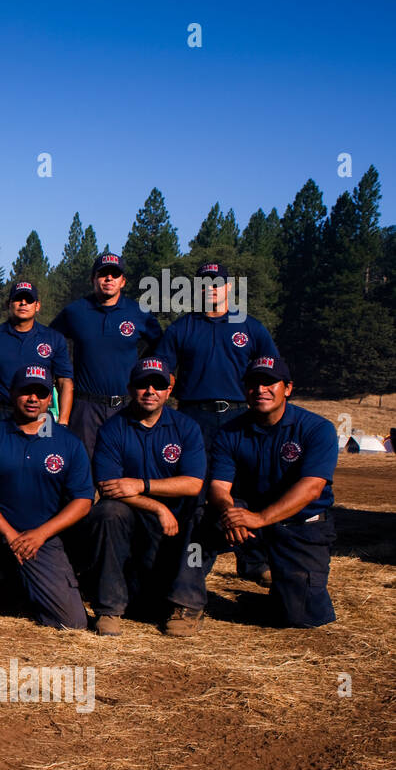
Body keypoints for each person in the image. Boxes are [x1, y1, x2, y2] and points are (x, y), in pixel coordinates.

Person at [178, 356, 338, 632]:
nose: (260, 389)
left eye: (269, 382)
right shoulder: (230, 431)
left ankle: (279, 583)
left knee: (304, 619)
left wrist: (260, 518)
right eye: (253, 383)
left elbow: (312, 487)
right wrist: (230, 514)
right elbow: (219, 487)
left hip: (298, 526)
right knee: (198, 520)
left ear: (287, 388)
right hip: (247, 522)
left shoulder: (317, 428)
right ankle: (185, 601)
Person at [156, 261, 279, 585]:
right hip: (193, 416)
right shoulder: (182, 329)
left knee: (245, 486)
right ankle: (188, 564)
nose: (212, 288)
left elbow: (274, 372)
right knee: (196, 490)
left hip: (241, 415)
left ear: (228, 288)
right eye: (205, 283)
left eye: (218, 283)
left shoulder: (250, 327)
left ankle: (252, 559)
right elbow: (162, 372)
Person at [0, 364, 94, 630]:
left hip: (43, 537)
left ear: (49, 398)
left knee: (72, 623)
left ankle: (16, 590)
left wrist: (41, 534)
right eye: (25, 391)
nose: (33, 399)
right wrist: (9, 533)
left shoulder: (67, 442)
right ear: (11, 393)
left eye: (40, 393)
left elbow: (83, 500)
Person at [81, 357, 206, 636]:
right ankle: (109, 608)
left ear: (168, 390)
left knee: (201, 517)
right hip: (134, 519)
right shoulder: (113, 428)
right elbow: (108, 487)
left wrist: (142, 485)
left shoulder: (186, 428)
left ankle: (186, 604)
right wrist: (157, 507)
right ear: (130, 387)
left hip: (178, 523)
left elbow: (193, 484)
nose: (150, 391)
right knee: (107, 512)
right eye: (142, 384)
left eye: (158, 385)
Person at [51, 253, 161, 457]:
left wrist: (143, 368)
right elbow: (49, 343)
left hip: (127, 406)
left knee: (127, 470)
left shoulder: (138, 313)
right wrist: (63, 373)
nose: (109, 278)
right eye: (103, 274)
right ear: (93, 279)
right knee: (83, 473)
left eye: (115, 274)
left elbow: (161, 346)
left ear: (123, 281)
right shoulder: (75, 311)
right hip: (85, 408)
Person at [0, 280, 73, 433]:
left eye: (29, 300)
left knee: (44, 455)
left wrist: (63, 422)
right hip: (1, 413)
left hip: (41, 416)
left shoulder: (54, 339)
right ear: (8, 304)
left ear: (37, 306)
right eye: (18, 299)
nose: (23, 303)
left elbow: (65, 382)